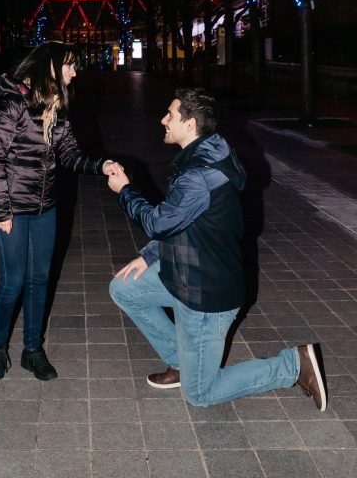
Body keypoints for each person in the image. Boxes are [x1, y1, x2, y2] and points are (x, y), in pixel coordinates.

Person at [106, 87, 328, 411]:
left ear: (191, 124)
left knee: (201, 394)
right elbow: (185, 221)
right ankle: (181, 361)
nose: (163, 119)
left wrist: (125, 190)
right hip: (184, 269)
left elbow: (159, 222)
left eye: (171, 114)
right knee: (123, 289)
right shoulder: (204, 152)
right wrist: (151, 254)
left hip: (205, 295)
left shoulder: (199, 174)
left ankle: (294, 366)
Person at [0, 41, 116, 381]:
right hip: (11, 207)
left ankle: (32, 350)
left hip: (45, 208)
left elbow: (69, 155)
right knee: (13, 281)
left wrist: (102, 166)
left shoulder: (58, 108)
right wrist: (2, 212)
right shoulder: (13, 101)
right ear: (51, 67)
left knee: (40, 279)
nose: (75, 71)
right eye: (70, 64)